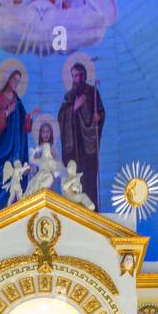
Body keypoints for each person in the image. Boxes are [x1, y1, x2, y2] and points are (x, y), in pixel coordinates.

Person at [57, 61, 105, 209]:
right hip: (73, 146)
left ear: (84, 76)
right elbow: (61, 117)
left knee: (89, 178)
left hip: (88, 145)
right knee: (74, 177)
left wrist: (98, 118)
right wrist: (74, 108)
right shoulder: (69, 96)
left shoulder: (93, 93)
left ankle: (91, 210)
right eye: (73, 76)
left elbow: (101, 112)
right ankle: (74, 210)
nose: (76, 79)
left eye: (78, 75)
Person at [0, 67, 34, 211]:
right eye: (14, 80)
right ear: (8, 80)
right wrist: (7, 112)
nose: (15, 83)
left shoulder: (18, 101)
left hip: (16, 148)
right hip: (2, 147)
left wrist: (28, 119)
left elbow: (25, 128)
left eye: (18, 82)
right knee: (2, 179)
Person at [25, 119, 62, 195]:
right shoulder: (38, 148)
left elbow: (57, 162)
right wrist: (29, 168)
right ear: (40, 134)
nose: (46, 134)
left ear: (51, 133)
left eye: (48, 131)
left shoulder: (52, 148)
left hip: (50, 175)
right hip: (40, 175)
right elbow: (33, 163)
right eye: (43, 132)